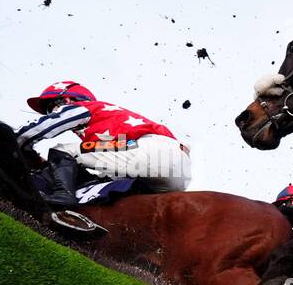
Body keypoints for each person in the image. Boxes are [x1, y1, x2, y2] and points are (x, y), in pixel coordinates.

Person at [16, 81, 191, 225]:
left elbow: (43, 127)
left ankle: (63, 195)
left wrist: (13, 140)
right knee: (104, 183)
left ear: (67, 100)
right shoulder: (110, 119)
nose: (50, 112)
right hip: (180, 168)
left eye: (51, 106)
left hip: (148, 148)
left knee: (62, 150)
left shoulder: (83, 107)